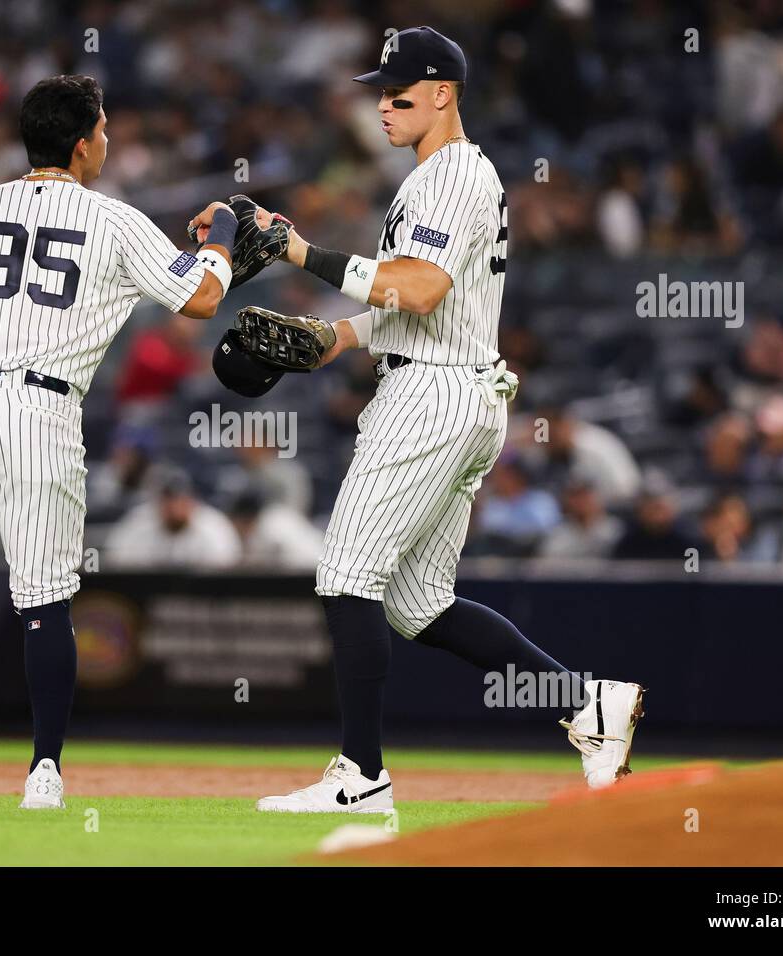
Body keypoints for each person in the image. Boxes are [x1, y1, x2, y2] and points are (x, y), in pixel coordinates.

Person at [233, 28, 643, 813]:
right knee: (417, 604)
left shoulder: (453, 174)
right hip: (456, 389)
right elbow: (416, 305)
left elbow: (417, 290)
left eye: (399, 92)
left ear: (442, 94)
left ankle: (362, 775)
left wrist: (298, 251)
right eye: (379, 92)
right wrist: (337, 336)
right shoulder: (433, 177)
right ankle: (591, 707)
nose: (382, 105)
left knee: (346, 576)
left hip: (432, 399)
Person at [0, 75, 238, 809]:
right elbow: (202, 298)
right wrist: (220, 238)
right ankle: (43, 773)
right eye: (105, 130)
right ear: (85, 140)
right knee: (45, 602)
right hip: (40, 408)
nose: (109, 142)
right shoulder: (114, 220)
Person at [103, 469, 241, 570]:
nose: (174, 507)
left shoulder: (213, 525)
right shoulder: (138, 522)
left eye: (179, 500)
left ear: (191, 500)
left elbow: (227, 569)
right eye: (168, 500)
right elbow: (114, 562)